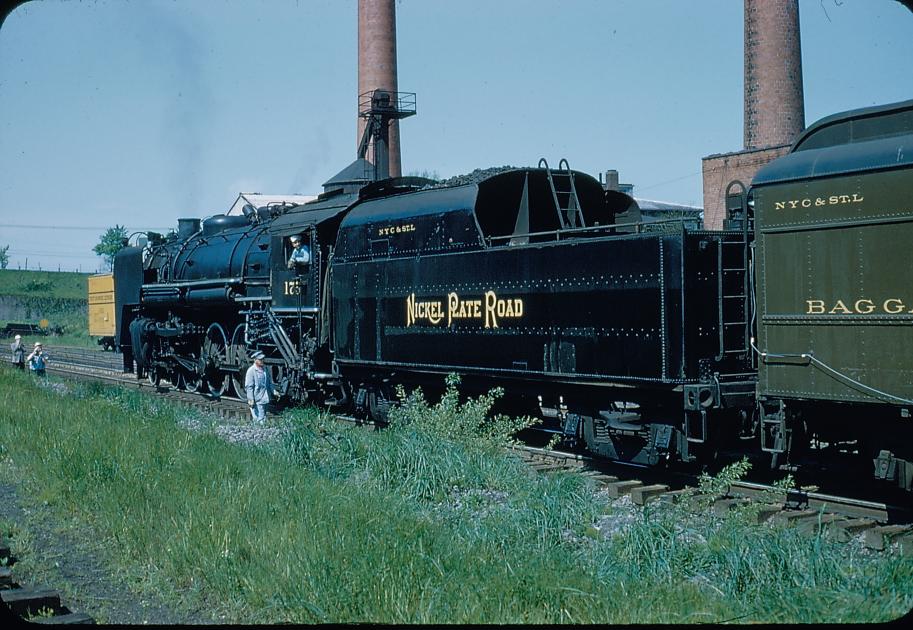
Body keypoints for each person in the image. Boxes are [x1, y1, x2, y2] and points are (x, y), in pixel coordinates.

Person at [244, 350, 274, 425]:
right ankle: (259, 430)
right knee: (260, 419)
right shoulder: (251, 371)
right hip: (257, 398)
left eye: (262, 359)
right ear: (255, 360)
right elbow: (249, 387)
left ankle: (260, 428)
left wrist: (274, 391)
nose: (262, 361)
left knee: (263, 416)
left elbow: (269, 383)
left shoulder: (265, 369)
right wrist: (250, 399)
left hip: (266, 398)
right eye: (260, 359)